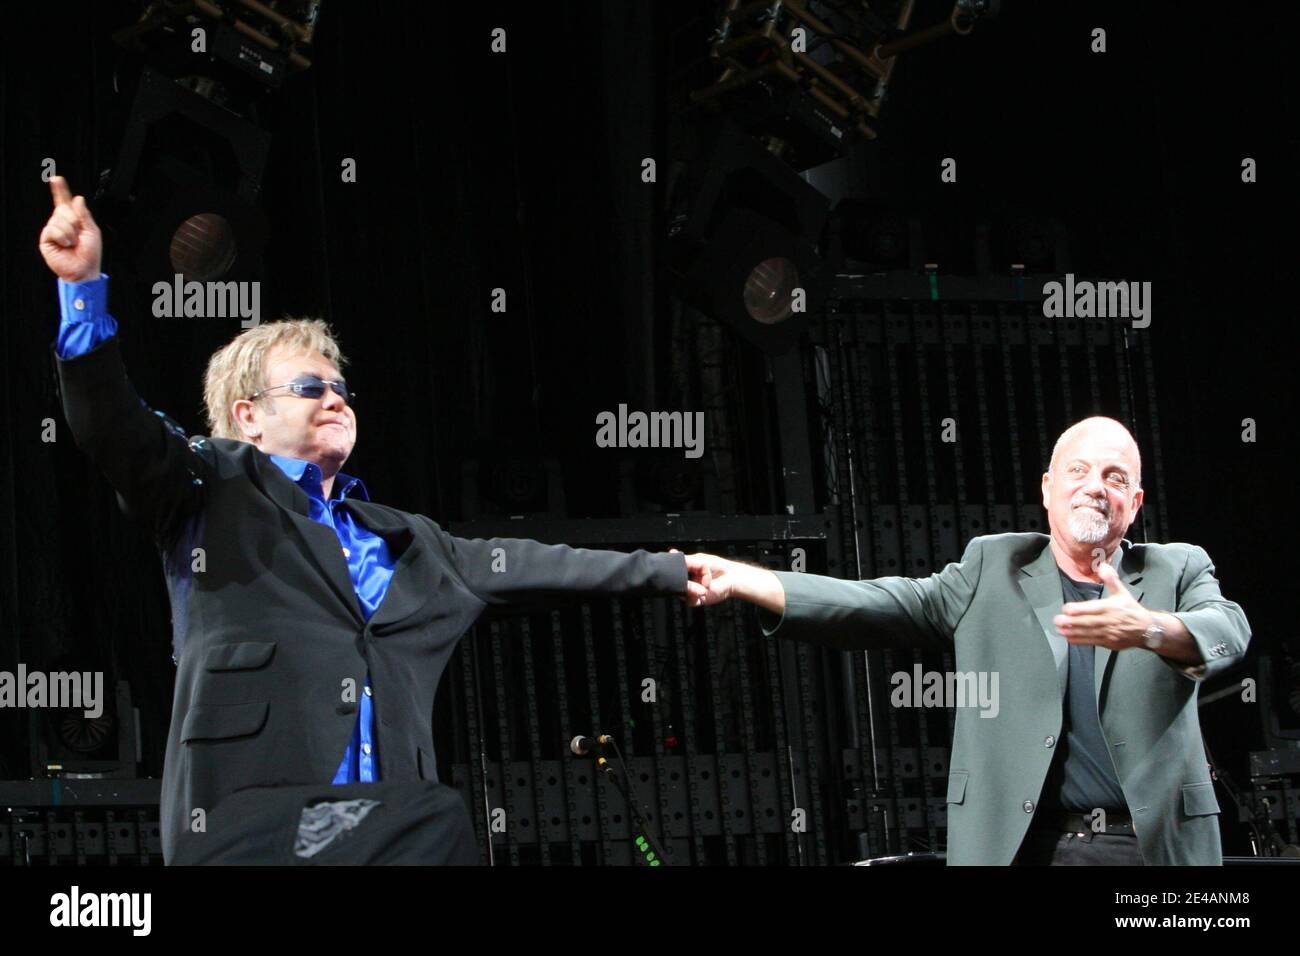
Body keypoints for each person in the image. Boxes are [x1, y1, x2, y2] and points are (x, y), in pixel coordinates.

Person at [39, 176, 707, 865]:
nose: (334, 400)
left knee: (434, 818)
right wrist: (82, 290)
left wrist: (677, 569)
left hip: (386, 836)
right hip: (249, 826)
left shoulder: (407, 539)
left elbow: (551, 564)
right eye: (307, 388)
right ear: (248, 417)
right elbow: (114, 427)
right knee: (440, 817)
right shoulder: (212, 486)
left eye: (340, 389)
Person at [682, 416, 1251, 865]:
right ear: (1048, 490)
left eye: (1114, 476)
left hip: (1148, 853)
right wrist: (747, 580)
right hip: (1025, 847)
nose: (1095, 488)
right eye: (1078, 471)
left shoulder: (1175, 569)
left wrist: (1149, 628)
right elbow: (883, 602)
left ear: (1136, 502)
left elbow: (1228, 628)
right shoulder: (993, 564)